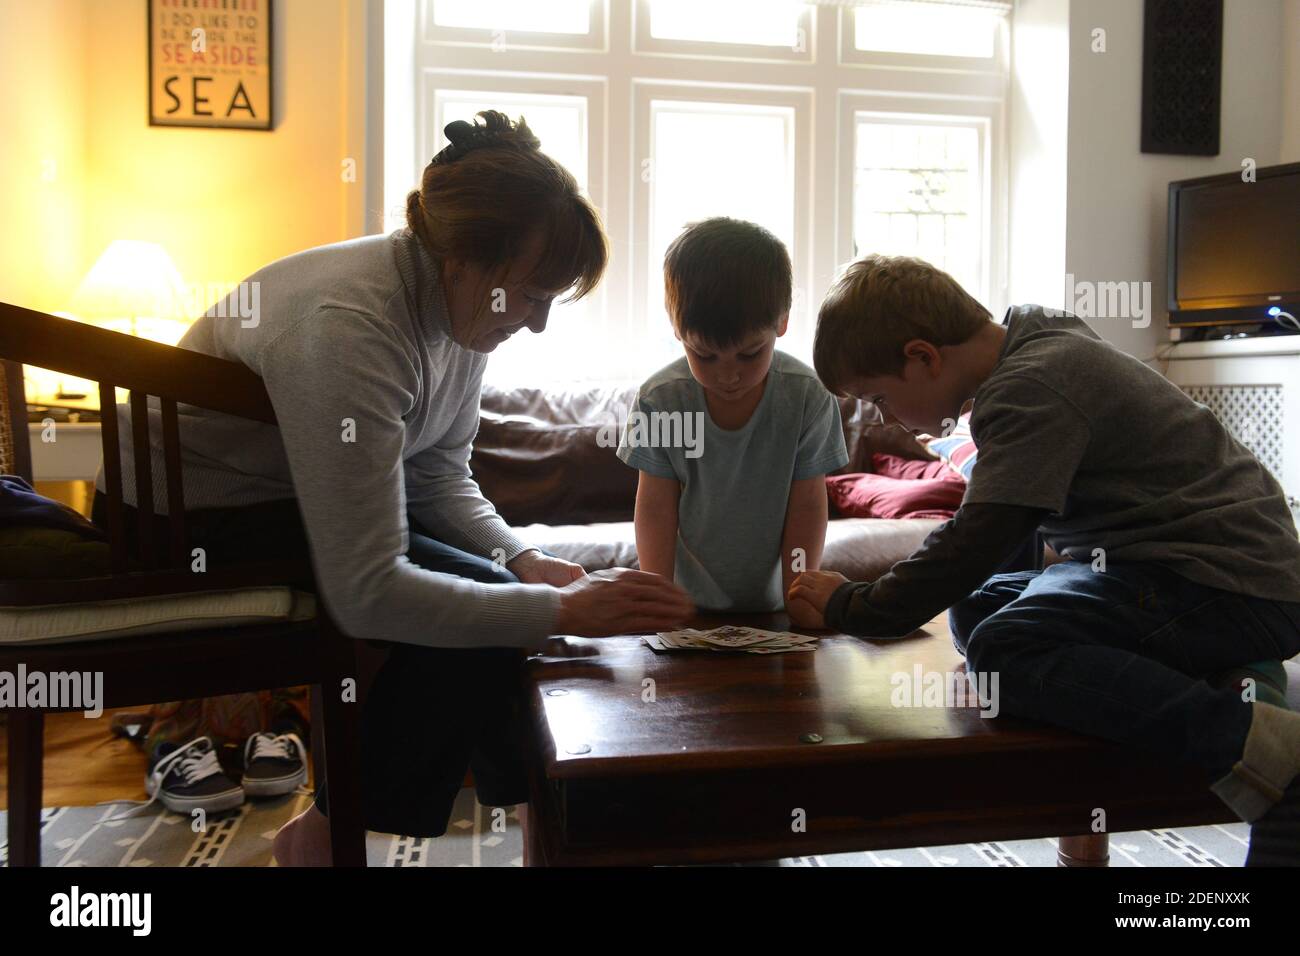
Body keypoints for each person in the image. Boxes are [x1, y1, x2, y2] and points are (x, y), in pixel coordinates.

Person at [95, 110, 694, 865]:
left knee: (501, 606)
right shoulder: (351, 324)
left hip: (272, 498)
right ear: (464, 259)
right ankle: (325, 836)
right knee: (488, 624)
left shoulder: (462, 310)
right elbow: (367, 592)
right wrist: (560, 606)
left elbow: (440, 470)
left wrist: (519, 561)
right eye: (534, 294)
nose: (538, 324)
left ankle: (543, 823)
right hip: (180, 519)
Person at [788, 253, 1300, 866]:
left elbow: (977, 539)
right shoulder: (1030, 341)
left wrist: (856, 606)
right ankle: (1231, 672)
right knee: (979, 608)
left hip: (1229, 582)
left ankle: (1263, 748)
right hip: (1165, 570)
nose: (885, 417)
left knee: (1006, 648)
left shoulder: (1031, 388)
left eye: (880, 398)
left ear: (923, 357)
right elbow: (995, 548)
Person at [617, 218, 848, 621]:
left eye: (749, 354)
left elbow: (808, 504)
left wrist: (799, 592)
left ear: (782, 322)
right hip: (687, 604)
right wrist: (657, 594)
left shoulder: (807, 396)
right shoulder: (662, 400)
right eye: (704, 356)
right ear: (677, 329)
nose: (728, 375)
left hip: (776, 604)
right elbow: (655, 507)